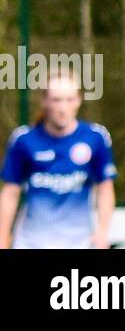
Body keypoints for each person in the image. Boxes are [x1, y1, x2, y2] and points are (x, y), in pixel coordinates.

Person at [0, 75, 117, 249]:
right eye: (56, 100)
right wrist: (2, 237)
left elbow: (105, 189)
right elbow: (10, 193)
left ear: (79, 100)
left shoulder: (95, 137)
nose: (63, 108)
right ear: (44, 101)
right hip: (31, 243)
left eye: (69, 100)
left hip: (80, 243)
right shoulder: (24, 139)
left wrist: (102, 232)